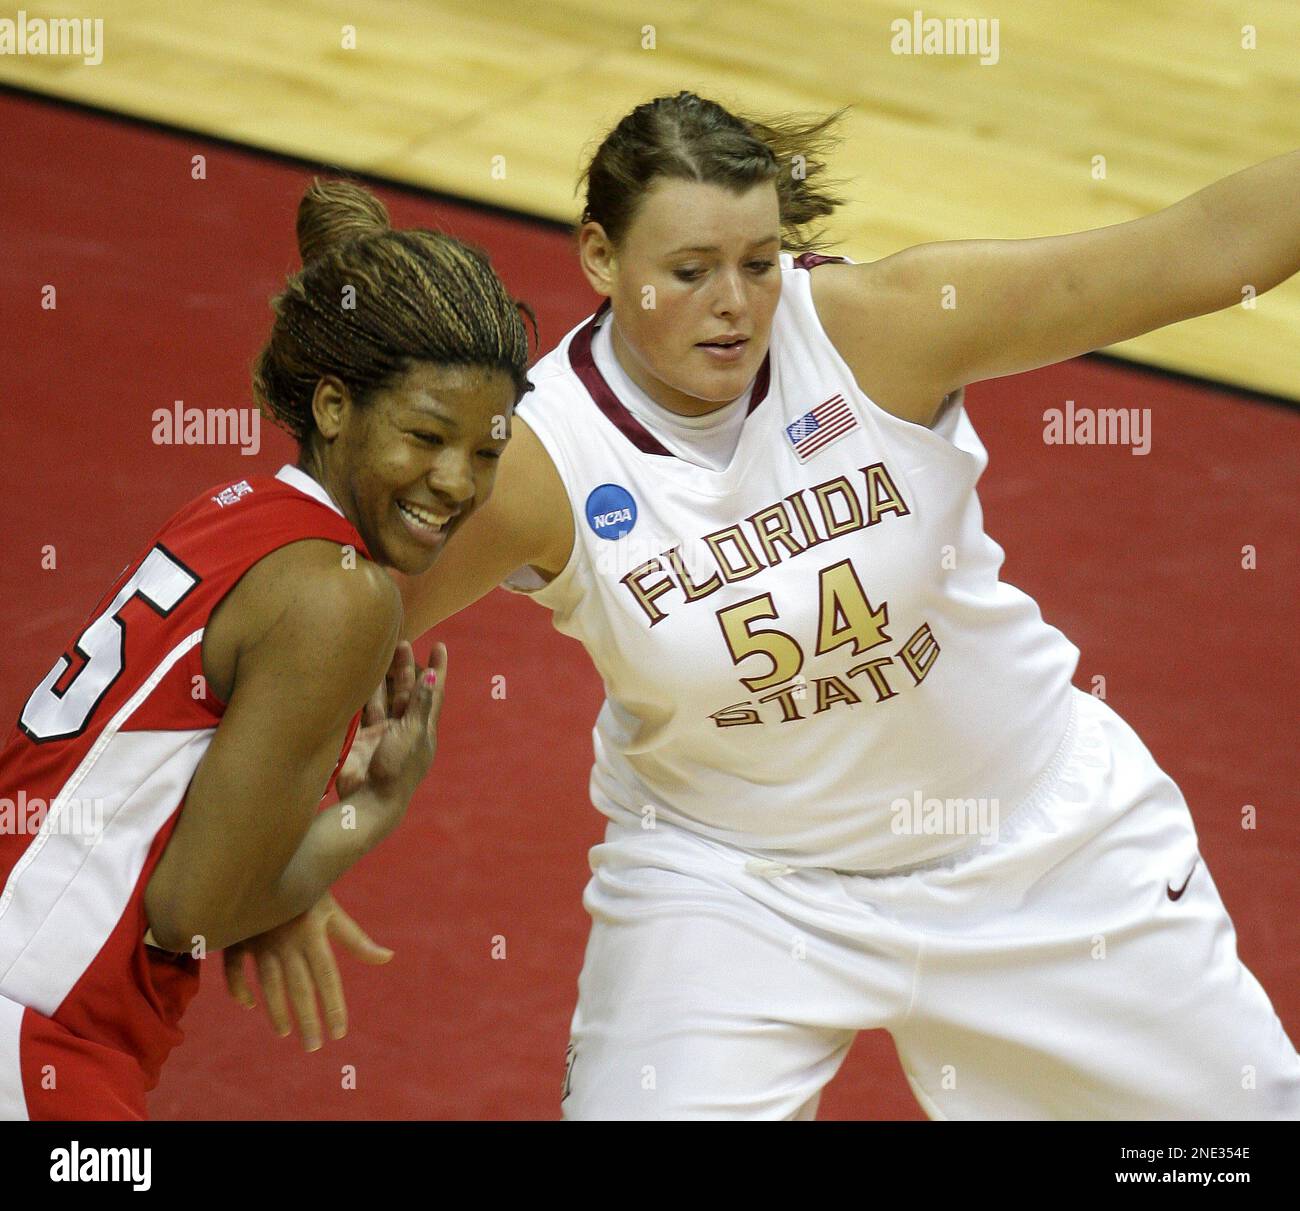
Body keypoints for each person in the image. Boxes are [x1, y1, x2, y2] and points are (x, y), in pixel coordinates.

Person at [234, 94, 1300, 1119]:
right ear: (600, 258)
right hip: (733, 886)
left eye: (758, 262)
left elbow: (1205, 245)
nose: (735, 303)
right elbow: (305, 636)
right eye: (689, 271)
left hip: (1035, 847)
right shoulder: (541, 458)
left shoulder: (877, 331)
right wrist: (283, 856)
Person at [0, 178, 534, 1120]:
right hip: (40, 1031)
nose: (455, 481)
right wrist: (370, 812)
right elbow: (193, 912)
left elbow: (180, 805)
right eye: (425, 435)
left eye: (486, 452)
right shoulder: (344, 594)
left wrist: (276, 872)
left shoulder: (240, 510)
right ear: (334, 405)